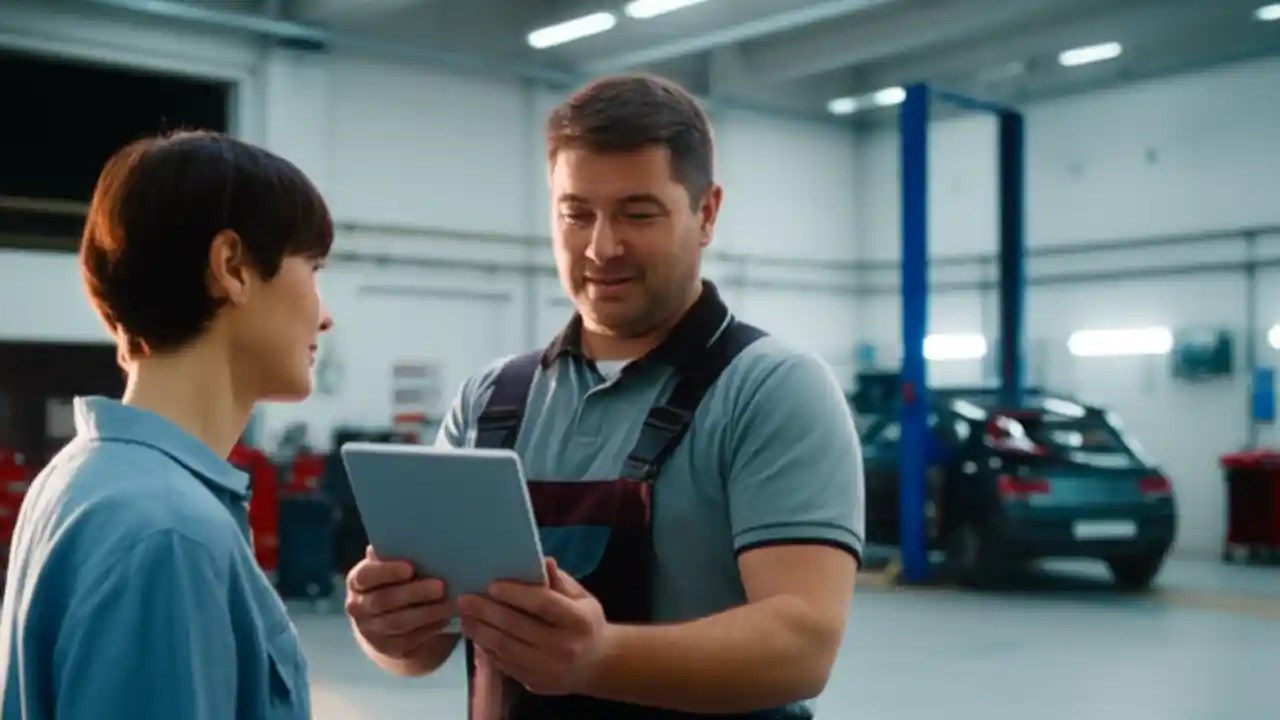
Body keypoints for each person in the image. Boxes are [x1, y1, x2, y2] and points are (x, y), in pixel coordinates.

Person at [344, 74, 864, 719]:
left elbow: (801, 646)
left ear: (706, 214)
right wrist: (388, 628)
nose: (601, 247)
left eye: (638, 213)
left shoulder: (770, 389)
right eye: (576, 213)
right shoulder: (491, 400)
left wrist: (600, 659)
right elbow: (421, 651)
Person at [0, 130, 334, 719]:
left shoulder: (81, 480)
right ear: (231, 267)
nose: (324, 315)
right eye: (311, 268)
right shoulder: (169, 531)